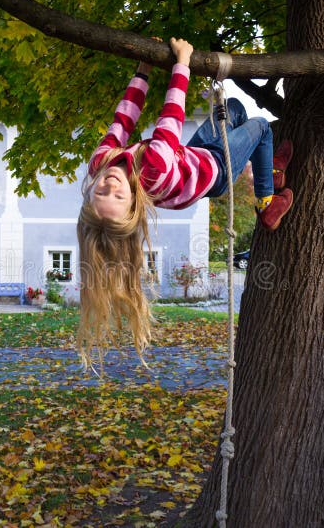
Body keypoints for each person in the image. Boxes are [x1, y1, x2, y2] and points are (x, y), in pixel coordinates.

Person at [77, 37, 293, 370]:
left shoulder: (100, 163)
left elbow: (124, 118)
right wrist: (183, 61)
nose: (108, 185)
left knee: (233, 109)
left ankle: (263, 161)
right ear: (134, 201)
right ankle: (267, 198)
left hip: (193, 157)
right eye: (118, 196)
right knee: (261, 127)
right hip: (217, 169)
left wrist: (143, 68)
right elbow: (171, 115)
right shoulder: (151, 169)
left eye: (100, 194)